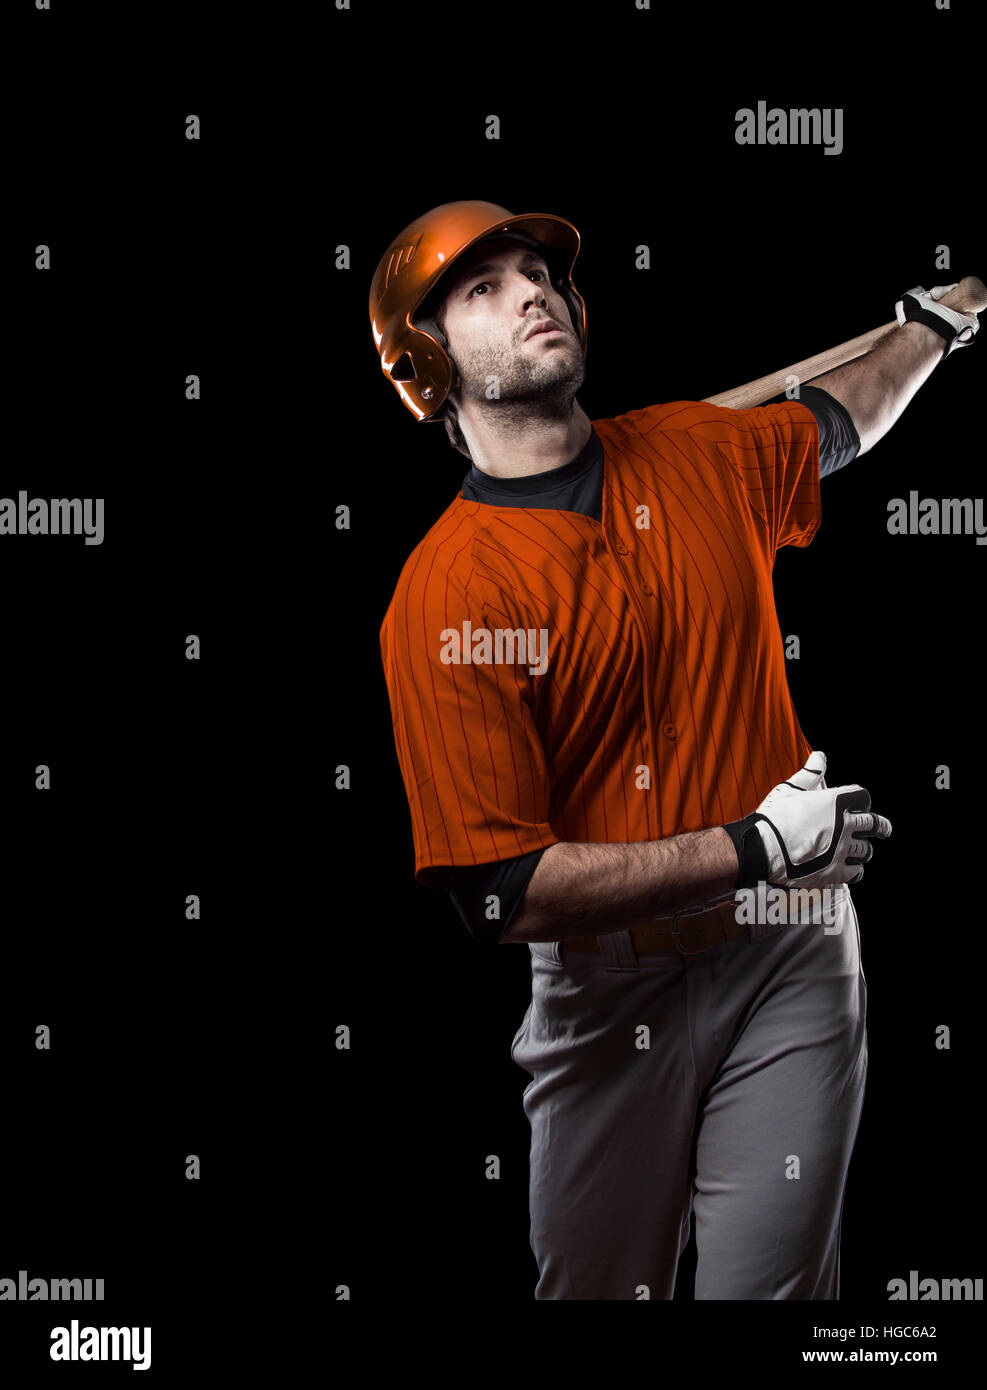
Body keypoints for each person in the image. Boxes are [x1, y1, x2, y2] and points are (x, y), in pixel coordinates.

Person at [370, 200, 980, 1299]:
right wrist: (758, 844)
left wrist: (933, 326)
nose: (530, 292)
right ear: (427, 365)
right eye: (483, 289)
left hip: (789, 953)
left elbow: (842, 418)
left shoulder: (700, 451)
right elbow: (502, 892)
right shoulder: (446, 597)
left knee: (774, 1293)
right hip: (608, 997)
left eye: (537, 273)